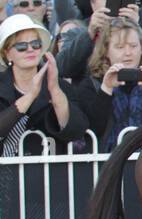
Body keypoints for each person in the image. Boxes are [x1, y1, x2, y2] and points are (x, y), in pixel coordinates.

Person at [73, 19, 142, 151]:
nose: (128, 53)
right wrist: (106, 90)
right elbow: (90, 130)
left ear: (141, 49)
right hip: (107, 164)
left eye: (133, 46)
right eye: (120, 47)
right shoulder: (91, 85)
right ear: (106, 51)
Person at [0, 14, 88, 156]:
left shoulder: (60, 86)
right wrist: (30, 96)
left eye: (36, 44)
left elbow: (76, 131)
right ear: (7, 53)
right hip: (8, 175)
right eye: (21, 46)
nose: (30, 49)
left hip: (50, 174)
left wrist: (55, 91)